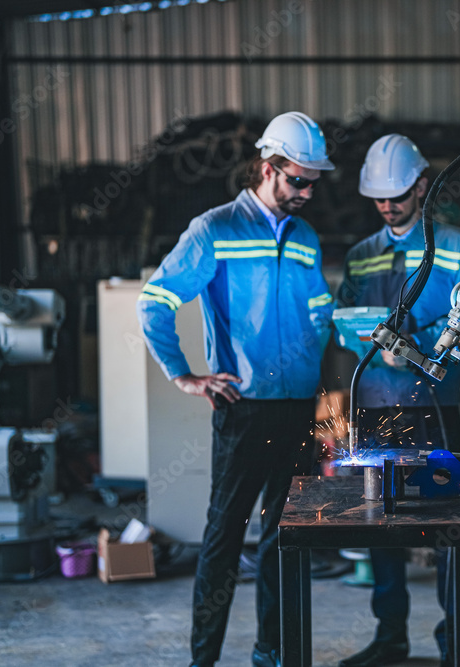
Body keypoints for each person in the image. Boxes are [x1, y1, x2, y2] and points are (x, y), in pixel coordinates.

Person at [137, 111, 336, 667]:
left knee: (283, 537)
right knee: (224, 538)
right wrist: (183, 373)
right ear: (268, 168)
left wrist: (325, 342)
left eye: (313, 183)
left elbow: (320, 309)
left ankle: (271, 652)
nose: (306, 193)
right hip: (243, 409)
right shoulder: (215, 230)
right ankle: (203, 660)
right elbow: (155, 303)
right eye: (298, 181)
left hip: (297, 408)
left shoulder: (305, 237)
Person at [336, 134, 460, 667]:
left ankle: (454, 644)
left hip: (434, 409)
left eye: (396, 195)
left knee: (448, 530)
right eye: (378, 198)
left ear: (422, 186)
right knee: (382, 531)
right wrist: (366, 342)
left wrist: (417, 348)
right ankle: (391, 636)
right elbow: (342, 321)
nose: (387, 205)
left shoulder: (456, 245)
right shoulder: (360, 256)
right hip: (375, 410)